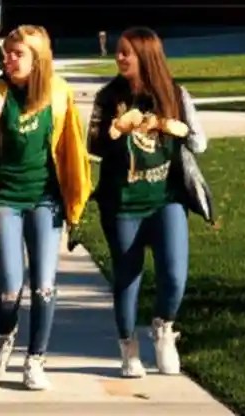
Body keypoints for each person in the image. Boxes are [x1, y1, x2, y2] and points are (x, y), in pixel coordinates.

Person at [0, 24, 91, 391]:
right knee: (10, 283)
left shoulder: (58, 94)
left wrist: (74, 200)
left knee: (44, 285)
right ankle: (5, 334)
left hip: (45, 199)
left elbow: (72, 148)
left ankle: (36, 359)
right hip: (6, 198)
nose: (8, 59)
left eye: (17, 53)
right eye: (7, 52)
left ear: (38, 59)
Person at [87, 27, 208, 378]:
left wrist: (172, 125)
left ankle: (163, 328)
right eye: (119, 51)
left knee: (174, 275)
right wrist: (118, 130)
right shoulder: (108, 96)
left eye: (128, 52)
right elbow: (93, 145)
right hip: (122, 202)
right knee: (128, 277)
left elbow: (199, 143)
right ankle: (128, 347)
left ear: (147, 57)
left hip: (165, 200)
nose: (120, 57)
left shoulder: (174, 93)